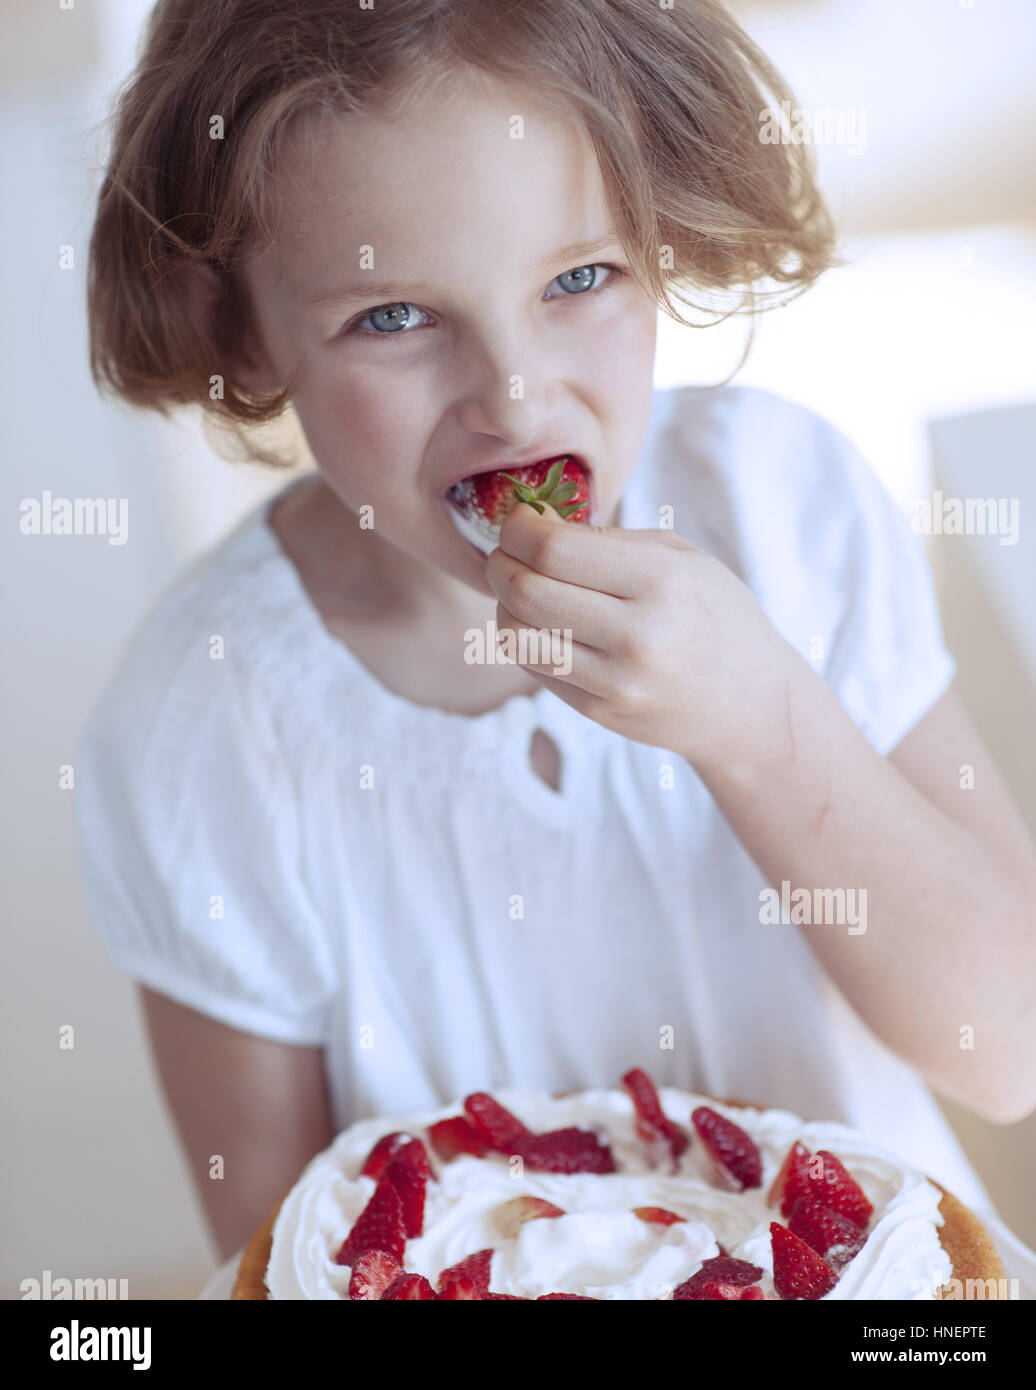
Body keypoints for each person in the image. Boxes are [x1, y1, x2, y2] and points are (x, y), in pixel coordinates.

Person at [77, 0, 1036, 1288]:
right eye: (394, 317)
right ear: (238, 327)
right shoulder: (205, 726)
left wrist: (760, 720)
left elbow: (1005, 1046)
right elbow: (280, 1254)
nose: (515, 397)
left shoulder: (785, 511)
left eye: (578, 280)